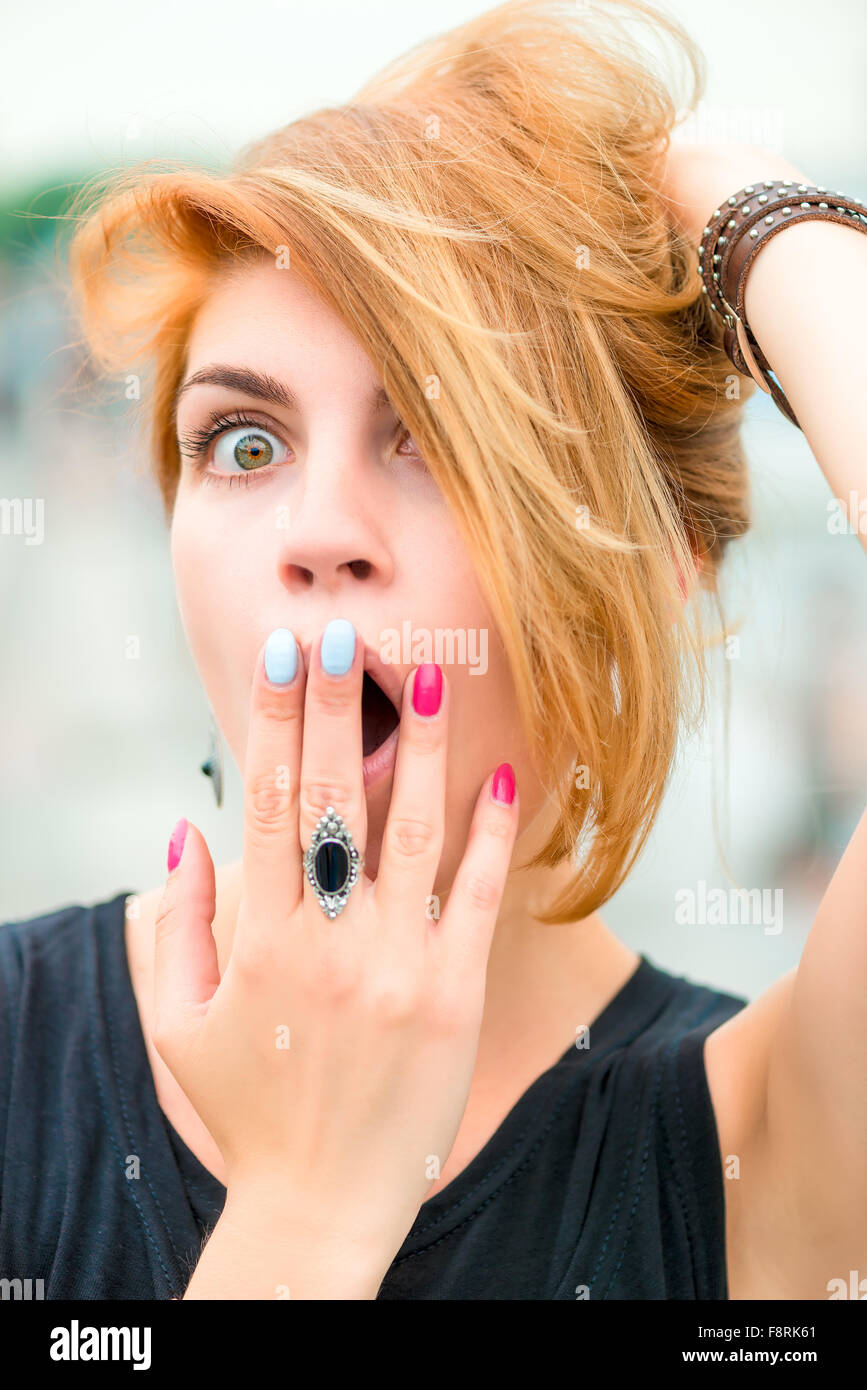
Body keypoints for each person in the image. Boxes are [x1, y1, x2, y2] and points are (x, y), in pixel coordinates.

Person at [1, 0, 865, 1300]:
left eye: (438, 441)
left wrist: (719, 189)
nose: (317, 532)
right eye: (244, 441)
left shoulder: (765, 1138)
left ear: (659, 554)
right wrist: (302, 1209)